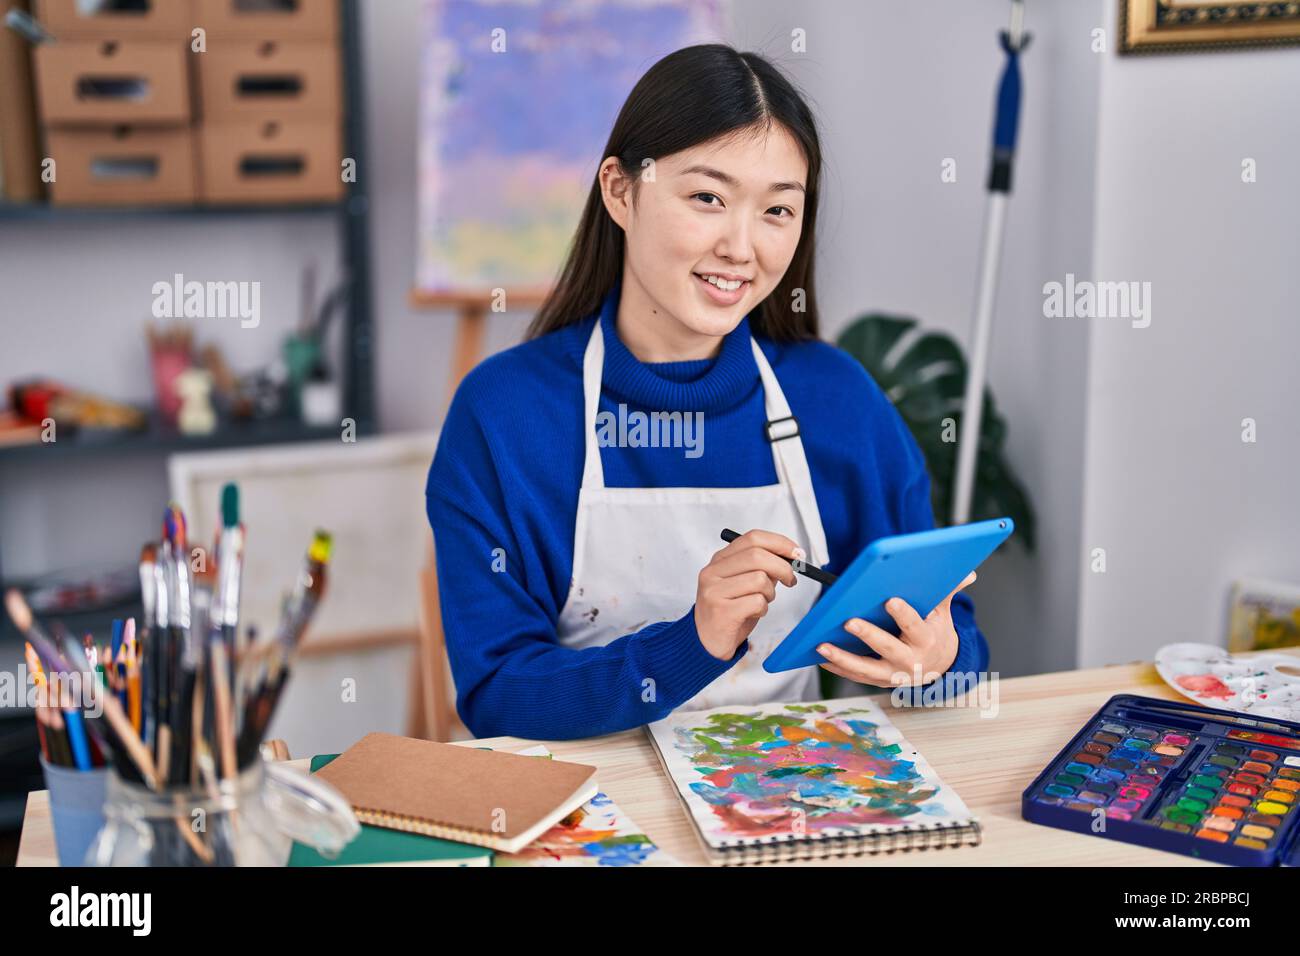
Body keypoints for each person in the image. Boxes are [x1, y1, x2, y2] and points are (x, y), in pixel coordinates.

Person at [426, 44, 988, 740]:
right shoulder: (505, 416)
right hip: (584, 808)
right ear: (620, 191)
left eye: (777, 211)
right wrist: (692, 643)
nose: (741, 247)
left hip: (789, 799)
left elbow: (956, 649)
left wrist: (940, 657)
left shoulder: (834, 399)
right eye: (708, 199)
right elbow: (497, 696)